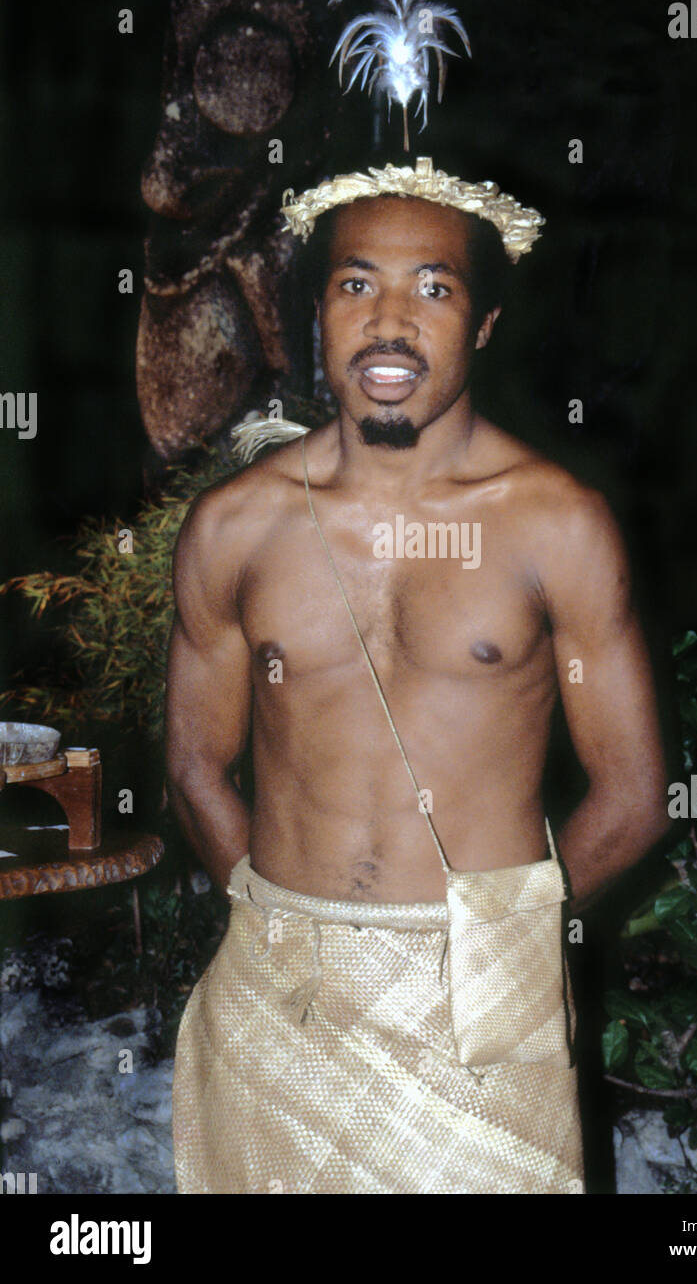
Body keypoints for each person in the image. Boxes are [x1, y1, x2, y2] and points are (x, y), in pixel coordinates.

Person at [168, 158, 668, 1194]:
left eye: (431, 288)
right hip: (278, 994)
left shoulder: (553, 524)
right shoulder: (235, 527)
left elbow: (630, 796)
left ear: (481, 323)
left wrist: (503, 945)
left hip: (479, 1003)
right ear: (318, 310)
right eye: (356, 284)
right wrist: (274, 926)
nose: (387, 320)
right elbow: (194, 764)